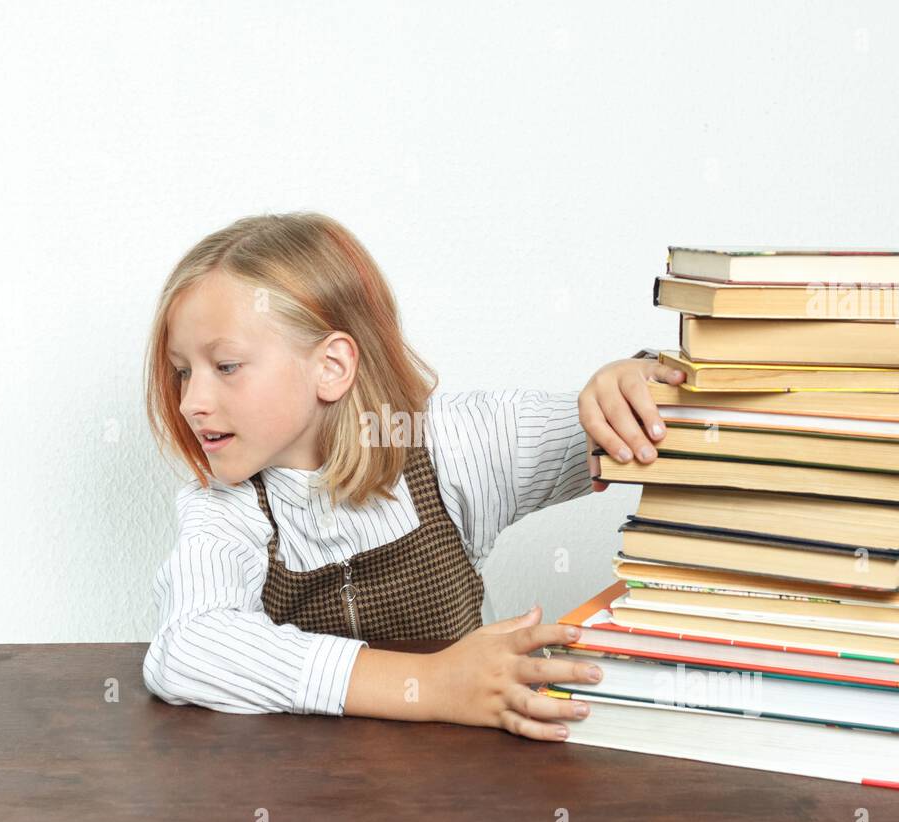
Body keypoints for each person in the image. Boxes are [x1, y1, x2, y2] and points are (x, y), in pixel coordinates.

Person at [141, 212, 682, 741]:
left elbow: (645, 420)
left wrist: (633, 379)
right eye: (183, 371)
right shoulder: (223, 506)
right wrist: (430, 683)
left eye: (226, 366)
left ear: (331, 366)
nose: (191, 402)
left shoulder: (450, 443)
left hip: (461, 799)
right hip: (306, 809)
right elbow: (188, 646)